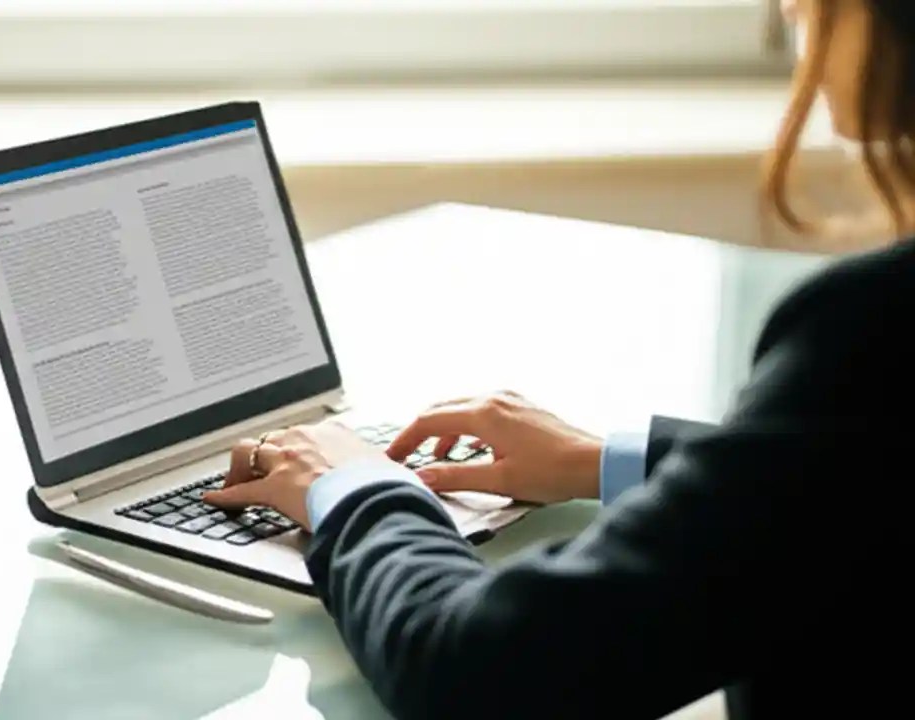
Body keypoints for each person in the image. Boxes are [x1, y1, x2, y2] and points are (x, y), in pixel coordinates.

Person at [202, 1, 914, 718]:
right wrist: (609, 459)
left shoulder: (869, 332)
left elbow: (483, 672)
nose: (793, 7)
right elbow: (862, 475)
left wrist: (355, 488)